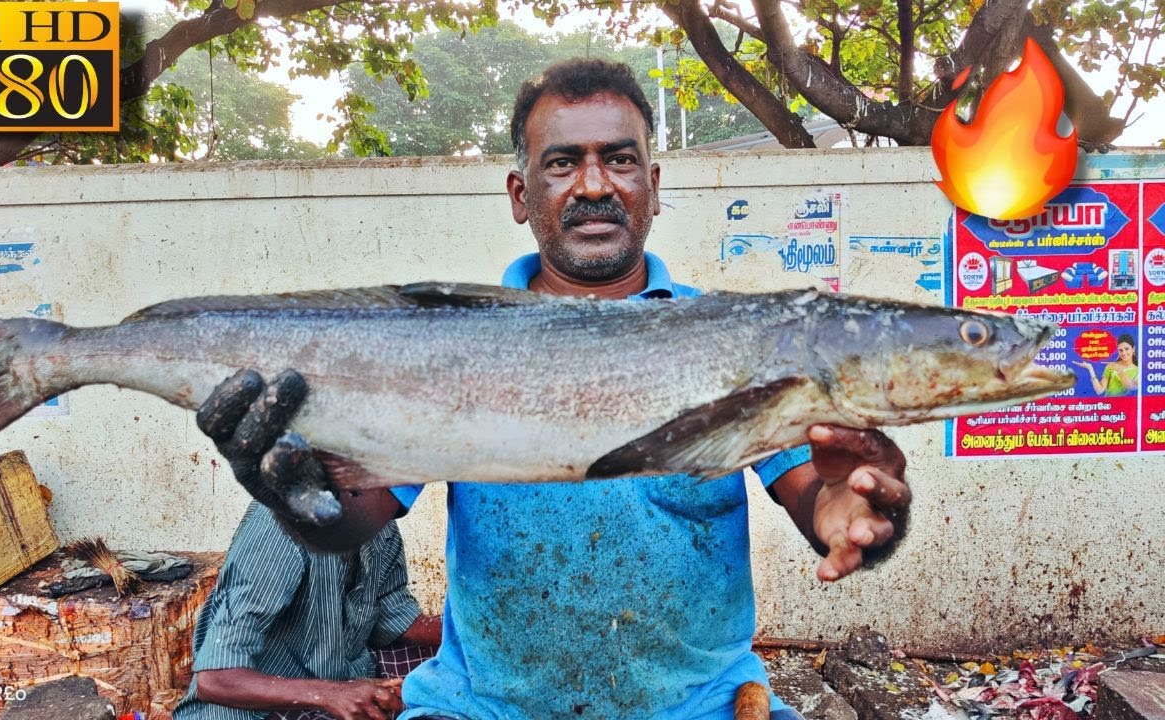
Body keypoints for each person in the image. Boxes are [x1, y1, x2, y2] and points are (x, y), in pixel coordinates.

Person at [200, 59, 910, 719]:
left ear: (653, 187)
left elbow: (822, 503)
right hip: (481, 707)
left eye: (619, 160)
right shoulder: (457, 344)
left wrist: (855, 512)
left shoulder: (737, 341)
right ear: (521, 194)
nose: (594, 186)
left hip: (698, 705)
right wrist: (293, 495)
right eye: (563, 163)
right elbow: (352, 520)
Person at [173, 499, 441, 720]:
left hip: (338, 678)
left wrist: (464, 629)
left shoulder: (379, 520)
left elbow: (395, 615)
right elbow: (216, 680)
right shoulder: (282, 522)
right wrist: (332, 694)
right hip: (259, 707)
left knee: (449, 666)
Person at [1074, 333, 1138, 396]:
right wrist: (1090, 369)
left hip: (1126, 402)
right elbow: (1099, 391)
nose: (1124, 353)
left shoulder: (1138, 370)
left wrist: (1119, 370)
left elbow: (1132, 387)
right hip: (1108, 402)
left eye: (1126, 349)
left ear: (1133, 349)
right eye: (1121, 350)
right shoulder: (1112, 366)